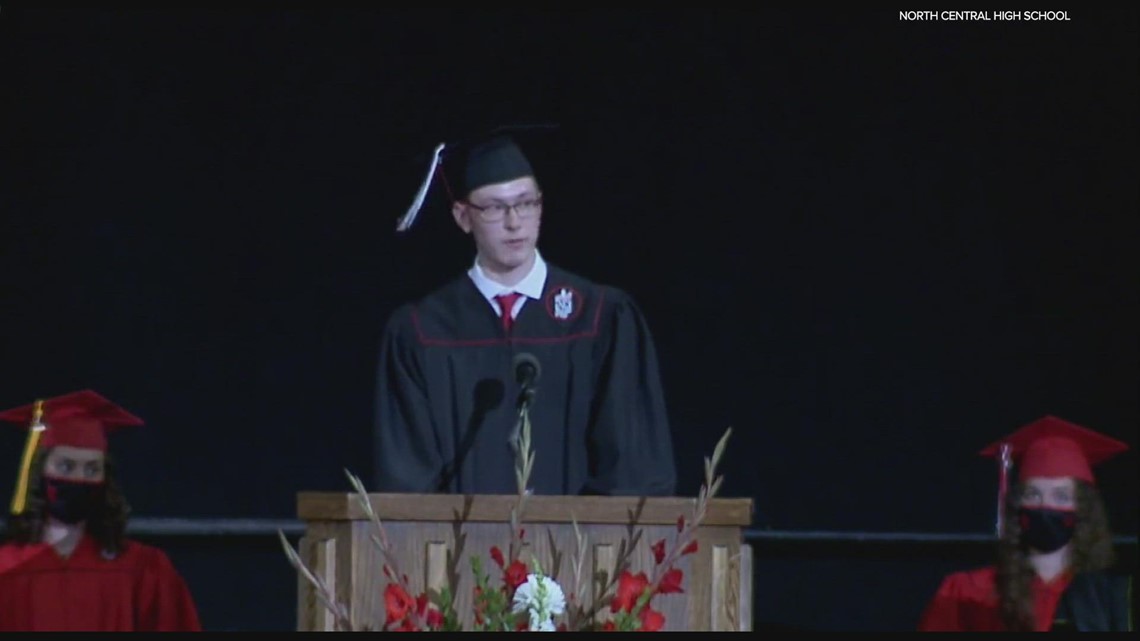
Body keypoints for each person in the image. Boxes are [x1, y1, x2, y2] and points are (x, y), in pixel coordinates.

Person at [373, 127, 677, 497]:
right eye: (495, 208)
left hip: (580, 551)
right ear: (463, 216)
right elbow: (405, 481)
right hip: (459, 552)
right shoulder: (424, 329)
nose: (514, 222)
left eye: (526, 203)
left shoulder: (600, 316)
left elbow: (633, 470)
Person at [0, 389, 202, 631]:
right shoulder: (6, 568)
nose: (79, 478)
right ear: (39, 473)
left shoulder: (145, 569)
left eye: (92, 469)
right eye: (66, 466)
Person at [917, 415, 1134, 631]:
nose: (1045, 506)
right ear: (1016, 506)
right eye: (1033, 494)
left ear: (1085, 511)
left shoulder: (1115, 598)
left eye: (1061, 497)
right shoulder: (966, 593)